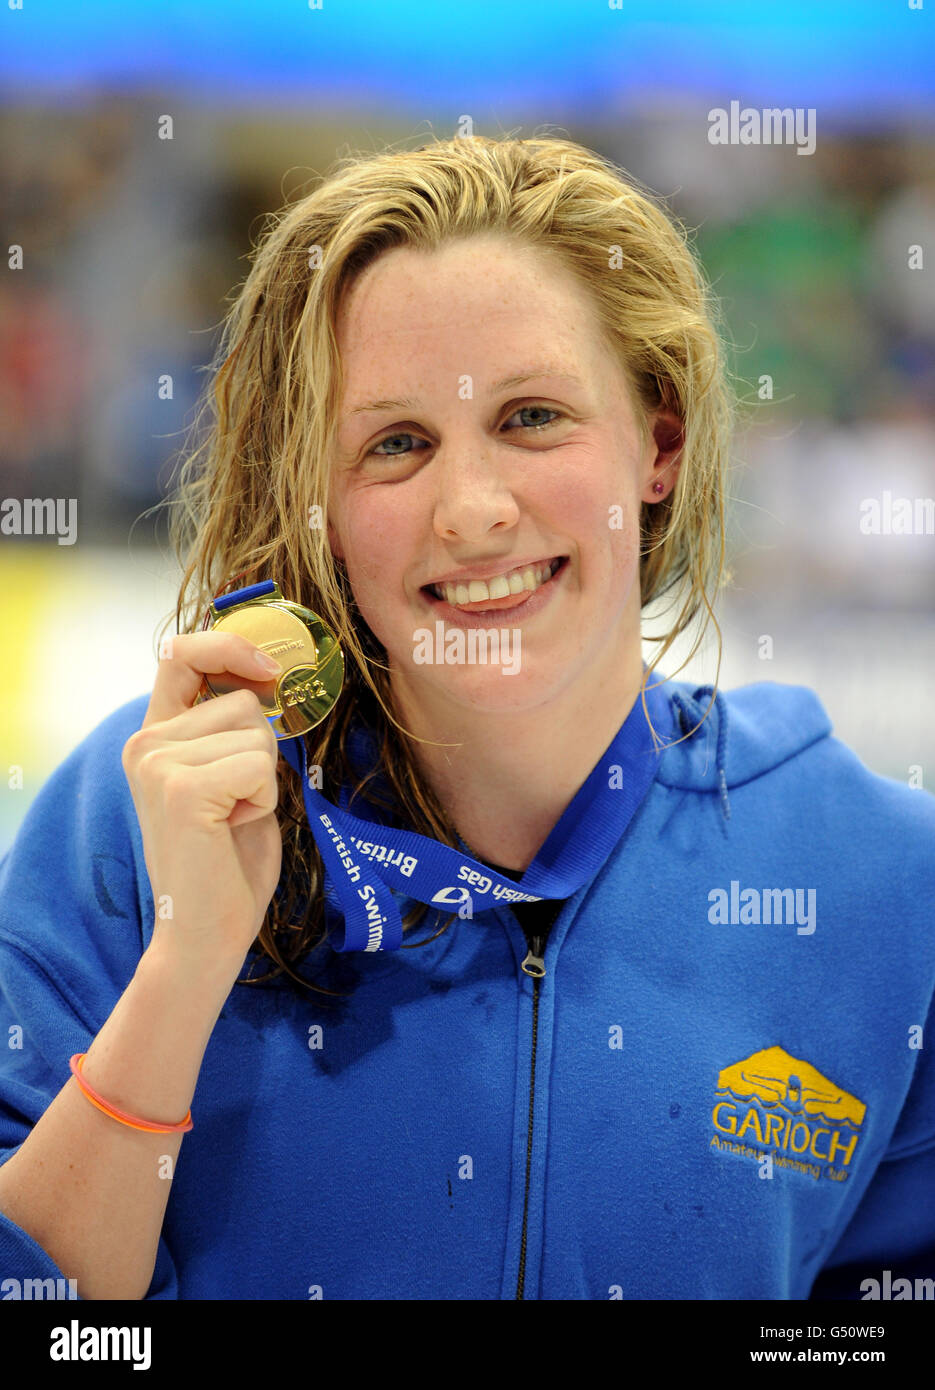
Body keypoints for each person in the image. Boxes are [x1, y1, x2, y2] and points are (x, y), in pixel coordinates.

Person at [0, 134, 932, 1303]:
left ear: (657, 441)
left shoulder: (881, 884)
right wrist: (185, 967)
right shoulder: (132, 824)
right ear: (319, 503)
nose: (474, 510)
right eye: (395, 444)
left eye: (533, 416)